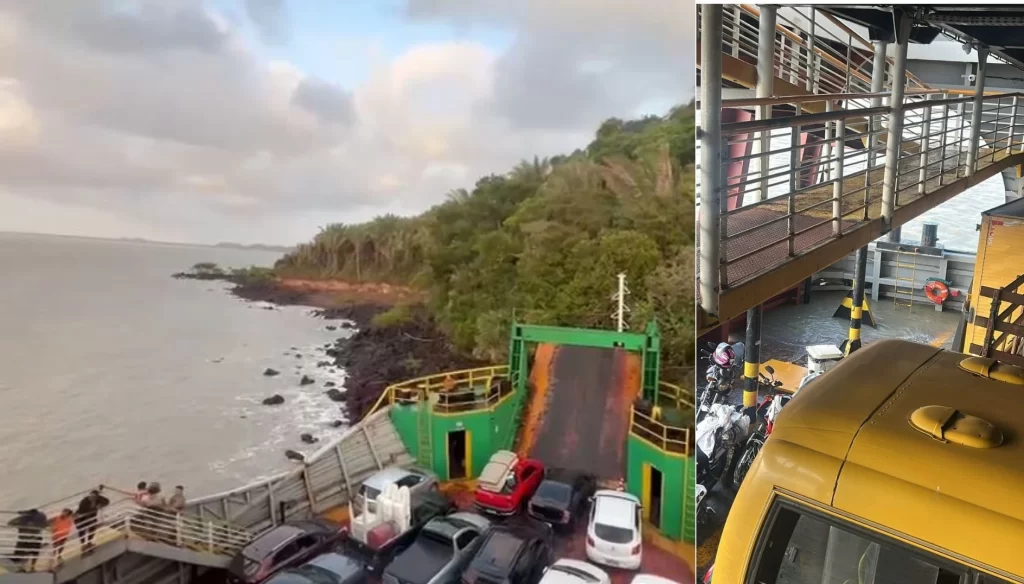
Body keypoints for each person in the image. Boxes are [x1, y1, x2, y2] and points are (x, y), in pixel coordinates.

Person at [75, 487, 110, 552]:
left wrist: (101, 504)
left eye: (94, 496)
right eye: (91, 496)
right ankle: (83, 545)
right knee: (82, 531)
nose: (92, 497)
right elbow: (83, 511)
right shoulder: (84, 501)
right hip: (82, 518)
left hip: (91, 517)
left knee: (92, 529)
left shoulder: (98, 499)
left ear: (97, 496)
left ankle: (89, 543)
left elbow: (107, 501)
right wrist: (95, 508)